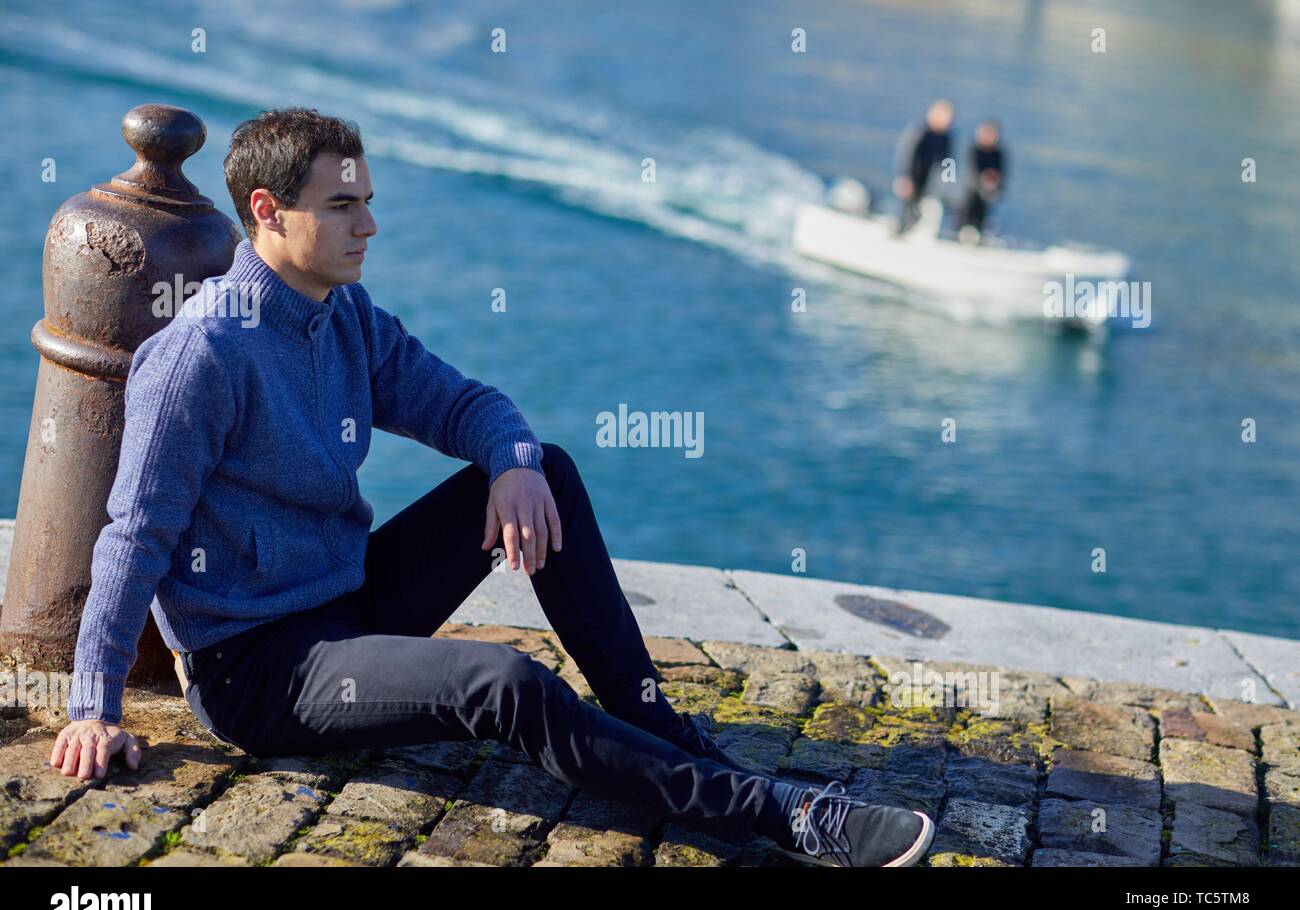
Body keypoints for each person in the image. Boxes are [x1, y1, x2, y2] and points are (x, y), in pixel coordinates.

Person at [46, 107, 934, 867]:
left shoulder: (343, 314)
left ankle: (656, 724)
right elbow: (135, 535)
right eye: (343, 205)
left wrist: (510, 462)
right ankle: (780, 818)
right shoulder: (202, 355)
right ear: (268, 213)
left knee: (546, 467)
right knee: (503, 683)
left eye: (369, 203)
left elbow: (464, 401)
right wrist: (92, 706)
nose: (369, 226)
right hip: (261, 670)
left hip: (347, 602)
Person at [892, 99, 955, 233]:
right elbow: (905, 154)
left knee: (921, 215)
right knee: (904, 212)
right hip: (911, 178)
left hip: (929, 184)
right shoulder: (919, 131)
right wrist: (903, 176)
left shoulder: (946, 138)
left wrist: (948, 184)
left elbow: (948, 162)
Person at [959, 119, 1006, 239]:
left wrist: (994, 183)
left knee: (984, 212)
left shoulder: (998, 154)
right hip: (968, 194)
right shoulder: (972, 150)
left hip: (987, 194)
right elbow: (967, 172)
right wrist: (982, 181)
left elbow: (1001, 175)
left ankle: (980, 233)